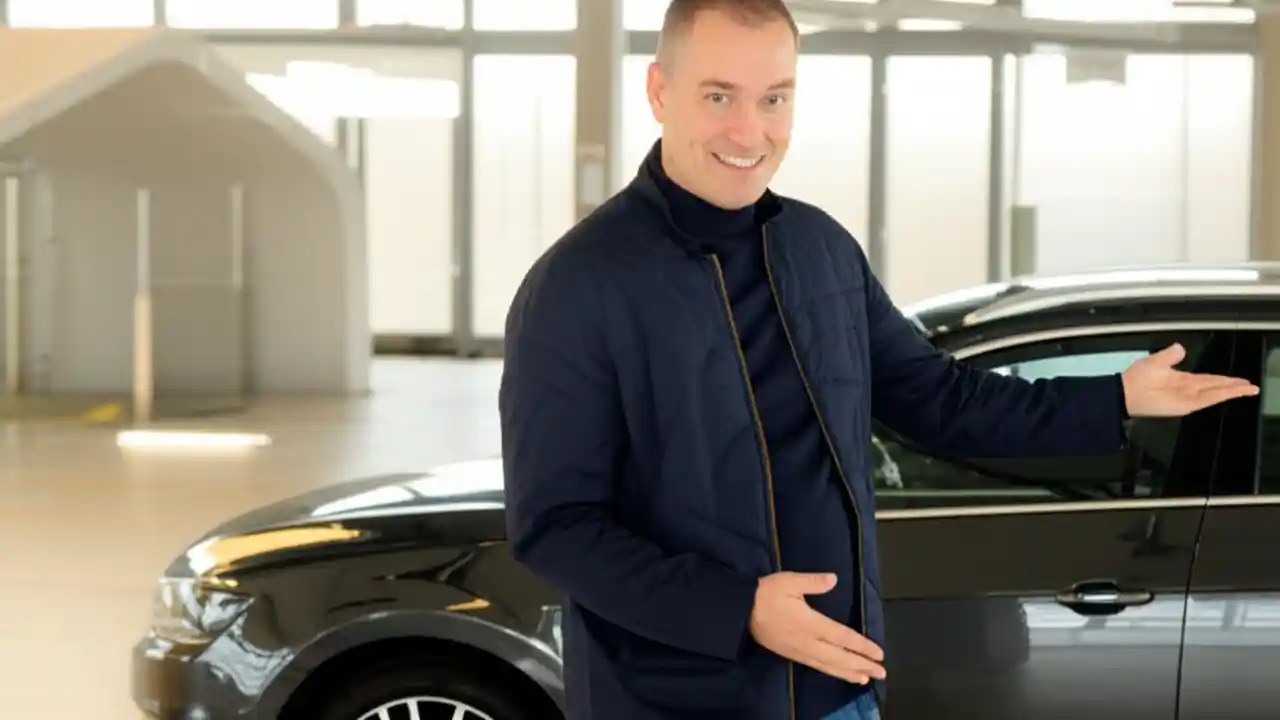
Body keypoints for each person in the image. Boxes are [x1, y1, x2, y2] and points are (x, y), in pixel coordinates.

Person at [497, 1, 1259, 719]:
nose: (752, 130)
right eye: (720, 96)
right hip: (675, 700)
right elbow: (556, 527)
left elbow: (940, 399)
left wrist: (1114, 397)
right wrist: (739, 609)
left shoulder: (820, 249)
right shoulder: (578, 287)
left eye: (776, 98)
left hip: (841, 689)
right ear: (659, 90)